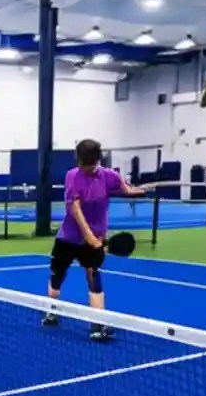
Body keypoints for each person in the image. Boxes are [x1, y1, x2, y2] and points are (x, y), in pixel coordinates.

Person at [42, 139, 147, 342]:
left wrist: (141, 191)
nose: (88, 169)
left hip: (96, 237)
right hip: (69, 237)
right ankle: (52, 311)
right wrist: (89, 236)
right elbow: (74, 208)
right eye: (84, 165)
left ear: (98, 160)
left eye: (92, 165)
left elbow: (125, 189)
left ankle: (97, 324)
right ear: (78, 160)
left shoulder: (109, 176)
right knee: (58, 275)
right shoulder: (72, 176)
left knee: (93, 275)